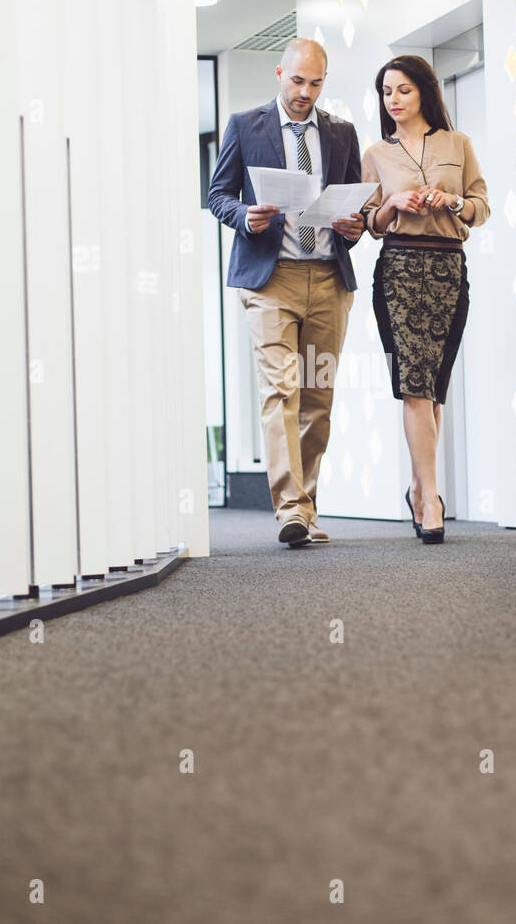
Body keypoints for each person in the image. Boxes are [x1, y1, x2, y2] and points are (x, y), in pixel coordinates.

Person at [208, 38, 364, 547]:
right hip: (271, 278)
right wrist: (244, 216)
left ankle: (308, 505)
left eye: (315, 83)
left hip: (328, 278)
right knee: (281, 390)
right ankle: (290, 510)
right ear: (279, 73)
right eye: (297, 81)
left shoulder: (341, 133)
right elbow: (217, 195)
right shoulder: (244, 125)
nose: (305, 92)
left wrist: (355, 225)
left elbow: (356, 201)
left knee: (318, 396)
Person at [361, 55, 490, 545]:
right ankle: (432, 501)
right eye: (386, 92)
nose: (393, 101)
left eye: (402, 91)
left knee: (434, 386)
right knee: (414, 384)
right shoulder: (376, 153)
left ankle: (419, 488)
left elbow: (481, 207)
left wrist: (452, 201)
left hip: (448, 269)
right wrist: (392, 205)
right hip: (398, 270)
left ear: (424, 94)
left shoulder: (458, 145)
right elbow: (367, 221)